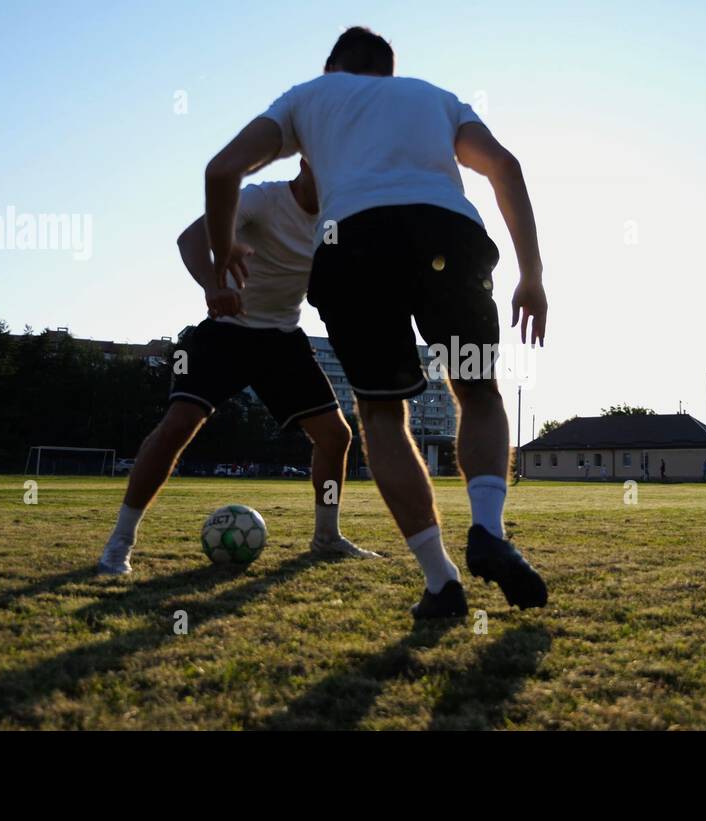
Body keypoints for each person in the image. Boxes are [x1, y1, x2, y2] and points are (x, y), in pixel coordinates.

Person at [202, 27, 547, 618]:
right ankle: (488, 528)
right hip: (450, 239)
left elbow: (221, 169)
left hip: (352, 245)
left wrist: (223, 253)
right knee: (479, 393)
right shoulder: (434, 97)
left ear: (333, 67)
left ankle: (442, 581)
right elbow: (505, 167)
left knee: (384, 414)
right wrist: (531, 276)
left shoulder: (309, 97)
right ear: (388, 72)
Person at [97, 163, 379, 575]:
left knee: (336, 436)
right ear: (304, 164)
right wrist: (214, 286)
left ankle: (326, 539)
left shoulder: (335, 220)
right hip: (225, 334)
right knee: (178, 425)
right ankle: (120, 542)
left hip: (282, 341)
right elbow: (190, 238)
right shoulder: (260, 199)